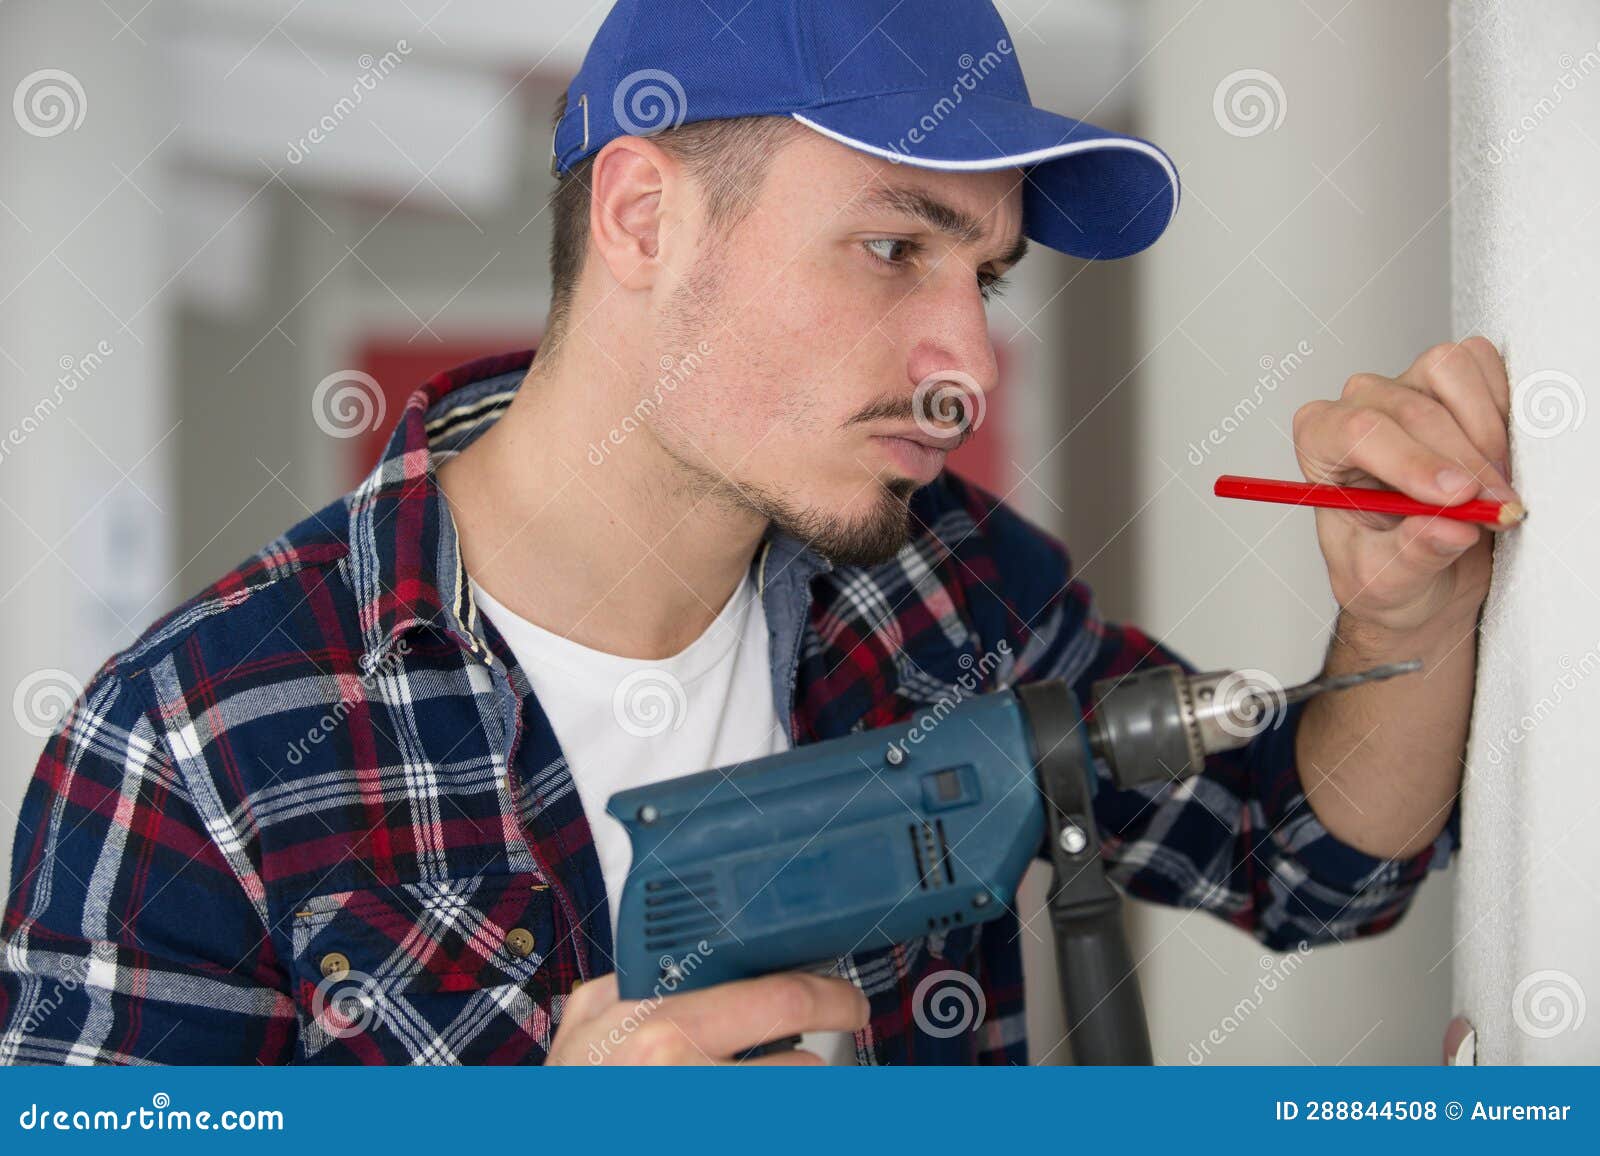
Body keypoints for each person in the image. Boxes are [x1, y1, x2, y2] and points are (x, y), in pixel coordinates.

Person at [1, 0, 1510, 1066]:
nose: (968, 366)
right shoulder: (191, 743)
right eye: (893, 245)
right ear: (642, 219)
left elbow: (1305, 860)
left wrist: (1404, 614)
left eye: (981, 278)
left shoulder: (948, 591)